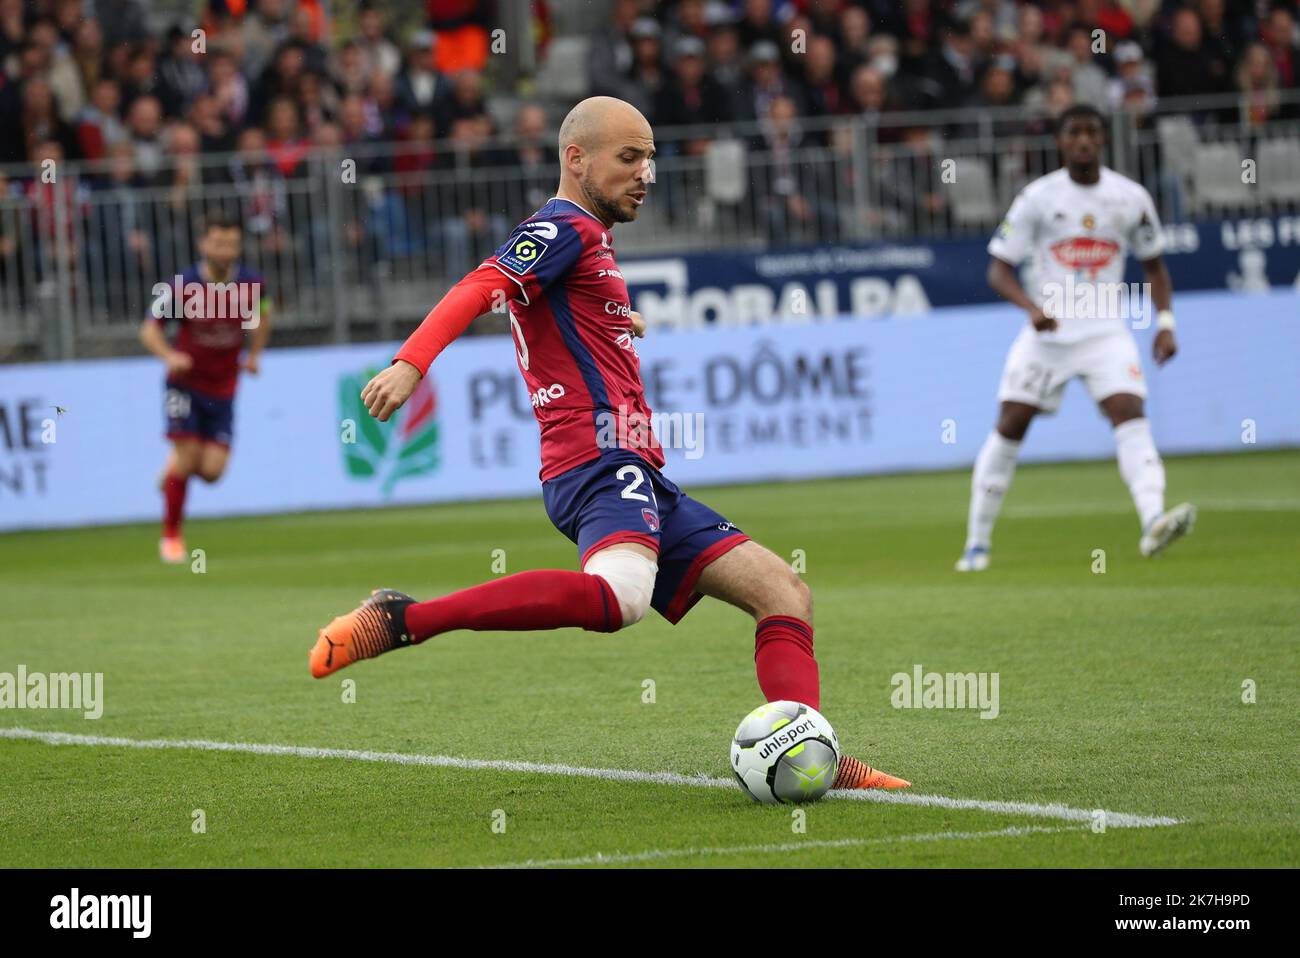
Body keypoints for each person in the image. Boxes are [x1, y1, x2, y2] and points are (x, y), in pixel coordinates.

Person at [310, 96, 908, 792]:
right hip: (595, 458)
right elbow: (481, 286)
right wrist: (410, 362)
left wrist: (622, 318)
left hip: (635, 465)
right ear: (577, 158)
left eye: (650, 157)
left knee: (784, 593)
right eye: (629, 157)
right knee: (620, 599)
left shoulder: (590, 240)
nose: (645, 172)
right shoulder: (560, 225)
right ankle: (405, 618)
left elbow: (564, 314)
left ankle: (813, 753)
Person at [956, 105, 1195, 572]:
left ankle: (1152, 522)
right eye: (1074, 133)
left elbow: (1155, 267)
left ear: (1102, 140)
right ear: (1061, 141)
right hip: (1048, 334)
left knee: (1129, 413)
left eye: (1091, 132)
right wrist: (1031, 309)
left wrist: (1166, 322)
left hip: (1106, 331)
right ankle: (976, 543)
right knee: (1011, 423)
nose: (1083, 140)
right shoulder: (1038, 198)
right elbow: (998, 270)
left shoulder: (1130, 197)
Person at [138, 211, 272, 563]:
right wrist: (169, 356)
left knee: (211, 472)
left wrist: (254, 355)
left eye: (231, 242)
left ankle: (172, 474)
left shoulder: (253, 285)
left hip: (224, 388)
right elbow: (149, 330)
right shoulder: (180, 287)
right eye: (218, 241)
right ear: (203, 244)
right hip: (184, 385)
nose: (225, 248)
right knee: (186, 459)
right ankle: (171, 538)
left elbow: (263, 318)